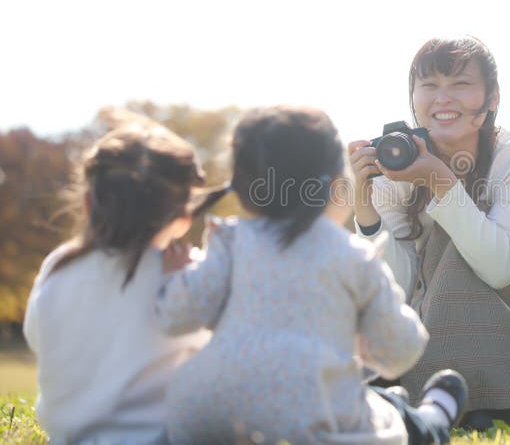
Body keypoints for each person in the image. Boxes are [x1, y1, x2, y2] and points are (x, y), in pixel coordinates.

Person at [155, 105, 468, 445]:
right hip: (317, 415)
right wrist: (369, 344)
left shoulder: (229, 243)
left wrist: (177, 276)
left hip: (207, 410)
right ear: (337, 185)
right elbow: (402, 351)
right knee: (391, 413)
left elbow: (175, 318)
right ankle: (435, 416)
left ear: (243, 191)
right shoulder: (354, 257)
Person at [349, 36, 510, 430]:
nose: (442, 98)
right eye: (429, 85)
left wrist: (439, 180)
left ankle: (471, 398)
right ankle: (434, 398)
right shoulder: (395, 160)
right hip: (425, 314)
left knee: (454, 237)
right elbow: (396, 286)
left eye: (460, 84)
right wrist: (366, 212)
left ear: (492, 97)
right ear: (413, 96)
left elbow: (500, 267)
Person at [22, 121, 212, 444]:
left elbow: (35, 334)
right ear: (183, 218)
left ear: (87, 203)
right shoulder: (185, 276)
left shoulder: (58, 265)